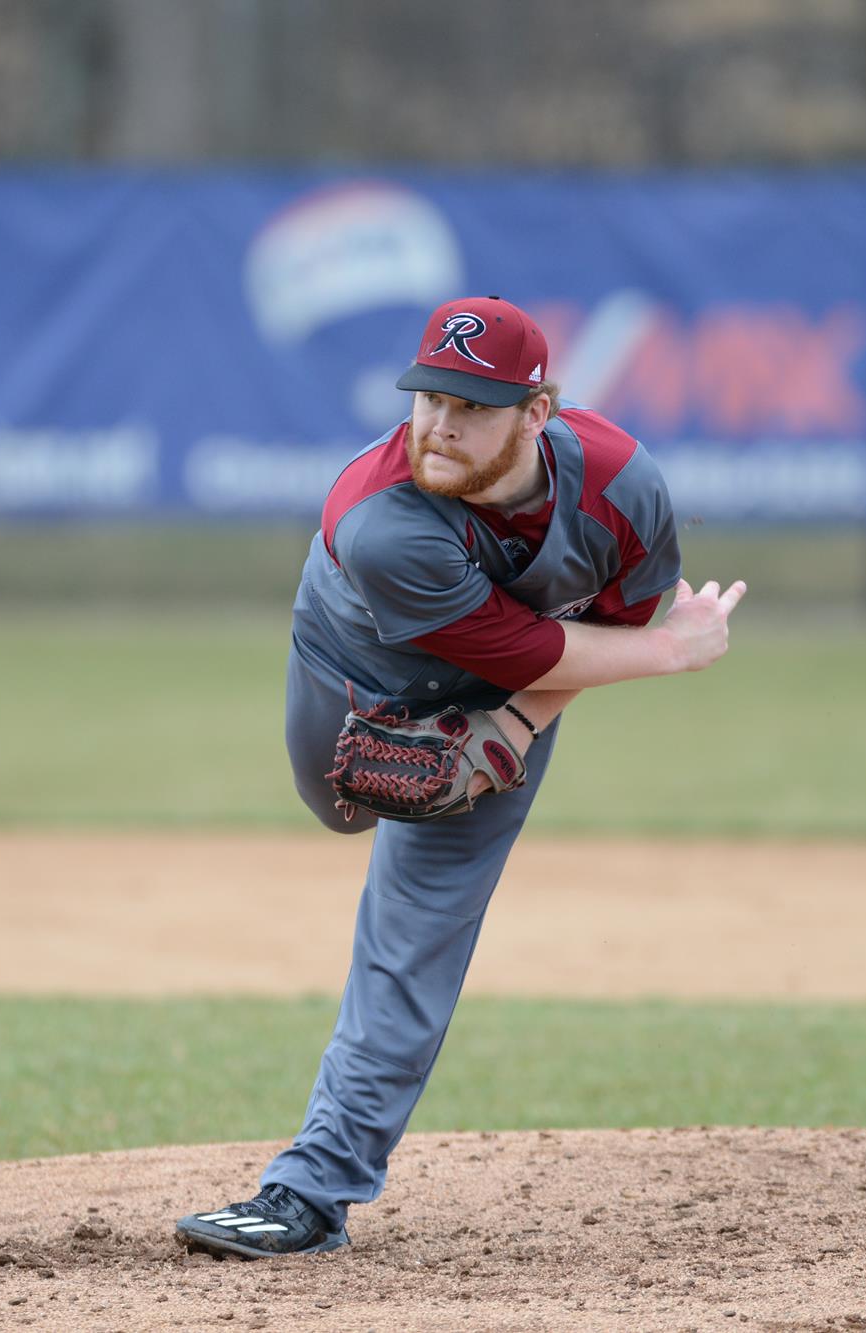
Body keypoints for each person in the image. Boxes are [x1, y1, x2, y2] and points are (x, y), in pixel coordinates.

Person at [175, 296, 747, 1259]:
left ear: (537, 414)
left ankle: (312, 1193)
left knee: (415, 937)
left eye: (473, 405)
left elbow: (592, 639)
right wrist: (668, 655)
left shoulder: (622, 488)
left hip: (519, 694)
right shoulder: (381, 520)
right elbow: (547, 650)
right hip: (355, 681)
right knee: (340, 808)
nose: (439, 424)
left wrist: (516, 729)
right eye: (428, 396)